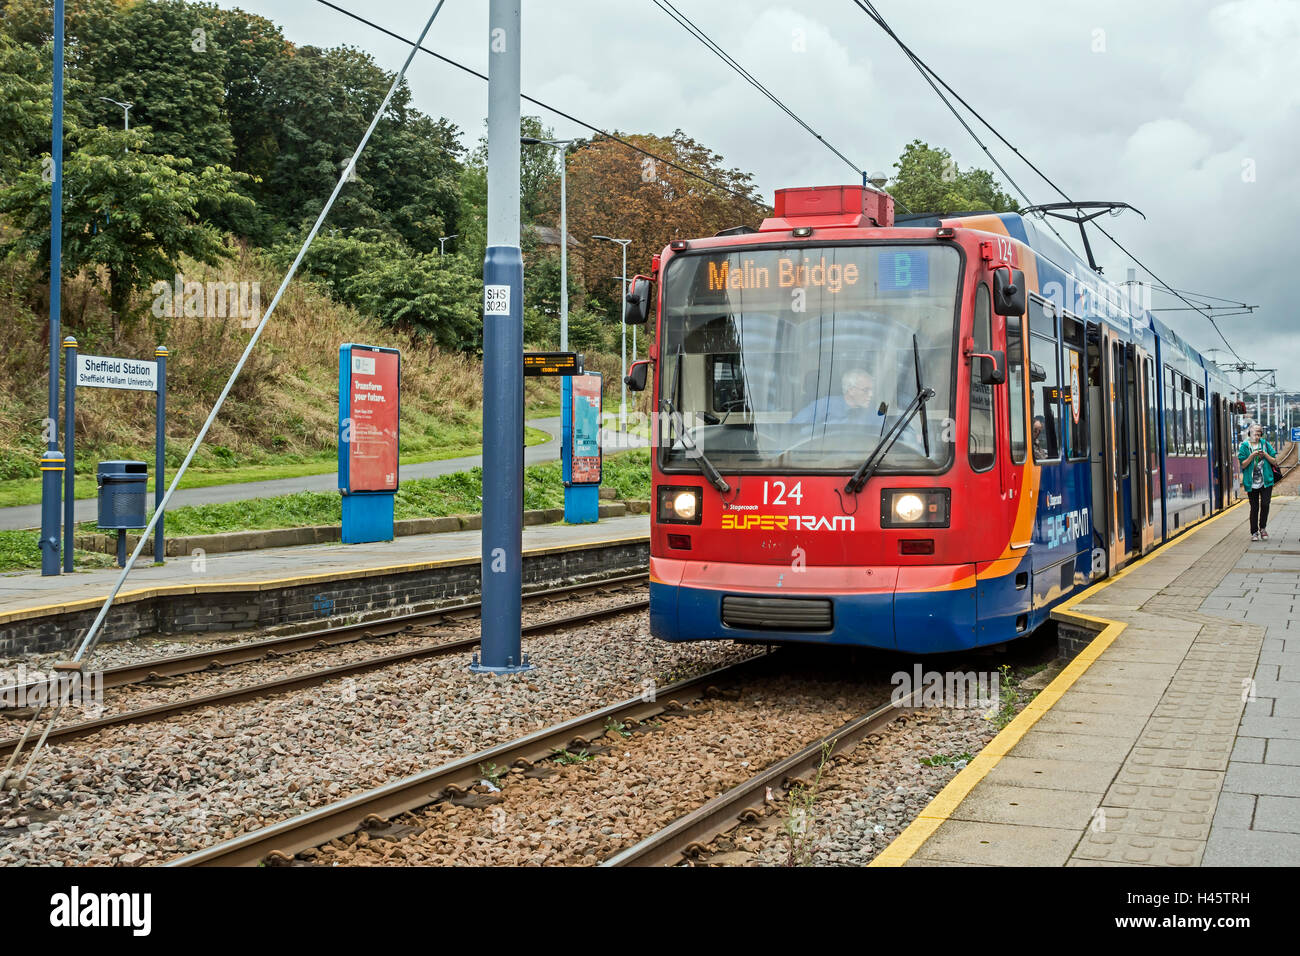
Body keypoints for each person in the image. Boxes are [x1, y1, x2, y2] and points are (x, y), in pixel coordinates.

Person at [790, 368, 881, 426]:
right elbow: (793, 429)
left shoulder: (873, 414)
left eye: (872, 390)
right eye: (866, 390)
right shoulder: (823, 406)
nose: (871, 394)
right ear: (851, 390)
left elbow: (890, 438)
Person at [1238, 423, 1278, 541]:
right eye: (1255, 432)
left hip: (1266, 481)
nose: (1257, 434)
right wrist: (1252, 455)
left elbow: (1274, 461)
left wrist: (1265, 454)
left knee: (1265, 504)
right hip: (1251, 483)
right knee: (1254, 507)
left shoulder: (1265, 444)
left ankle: (1263, 528)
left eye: (1259, 432)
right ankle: (1254, 532)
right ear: (1250, 433)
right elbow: (1243, 464)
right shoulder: (1244, 446)